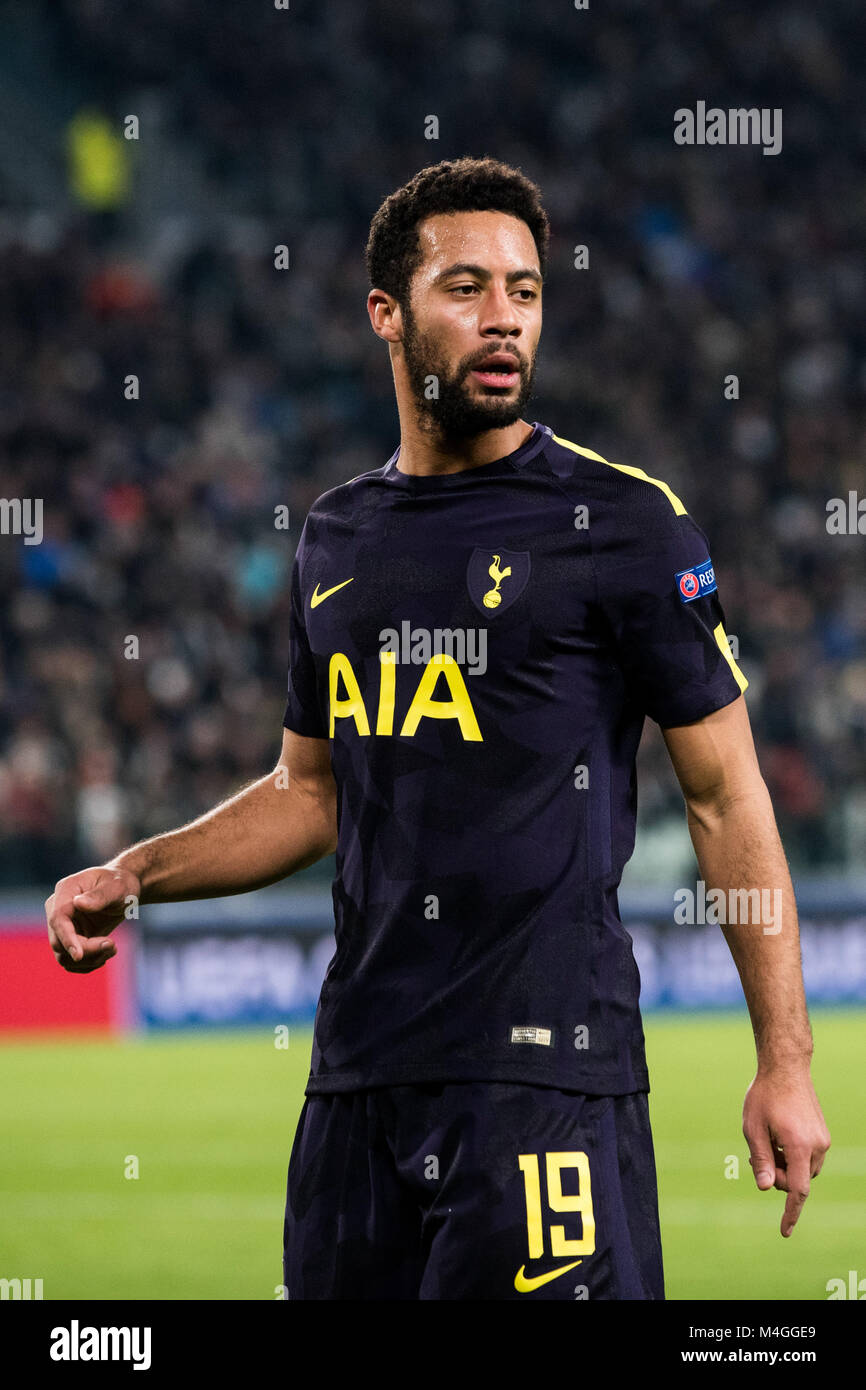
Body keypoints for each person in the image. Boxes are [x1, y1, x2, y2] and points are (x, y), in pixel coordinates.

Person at [45, 156, 830, 1300]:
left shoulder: (621, 523)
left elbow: (723, 796)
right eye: (465, 288)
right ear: (387, 314)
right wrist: (135, 870)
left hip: (546, 1075)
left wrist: (784, 1061)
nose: (504, 317)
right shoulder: (336, 539)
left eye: (523, 289)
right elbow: (308, 790)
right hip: (356, 1083)